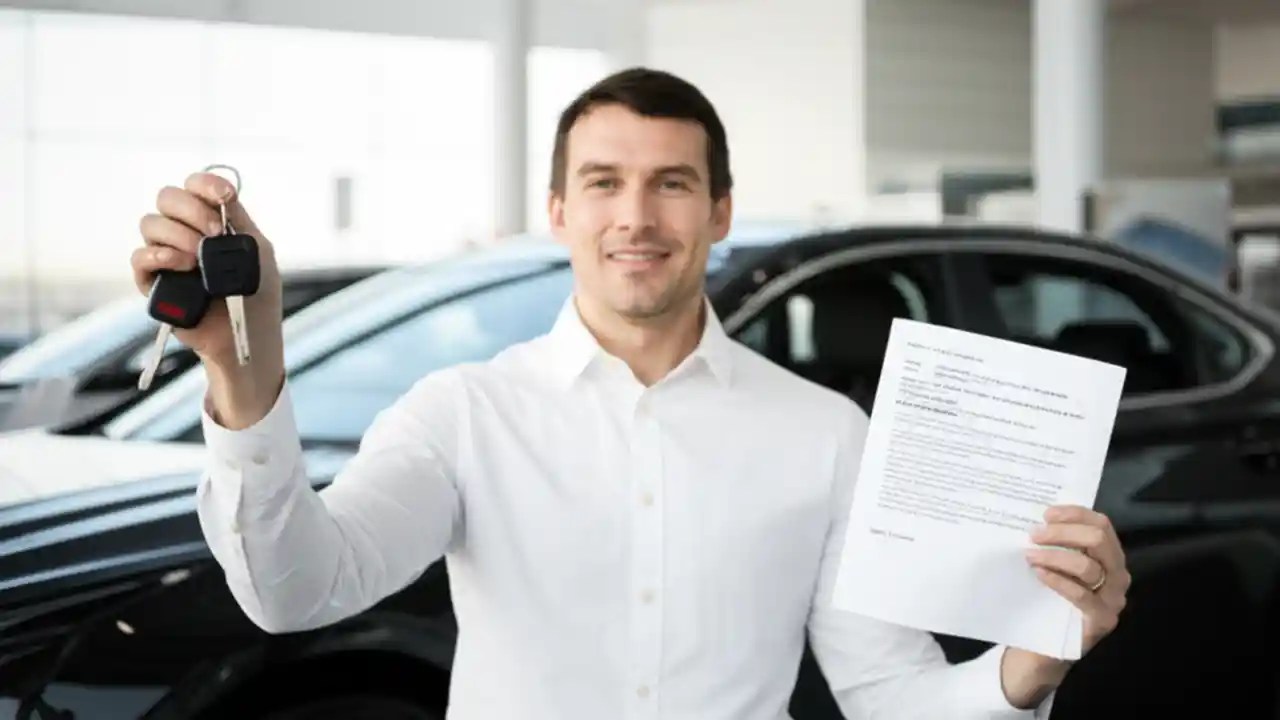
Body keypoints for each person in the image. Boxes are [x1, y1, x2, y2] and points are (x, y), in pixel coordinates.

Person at [131, 67, 1130, 719]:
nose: (636, 216)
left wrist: (1026, 667)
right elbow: (299, 590)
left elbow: (886, 691)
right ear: (560, 209)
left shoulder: (825, 433)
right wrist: (237, 364)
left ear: (720, 210)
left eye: (672, 183)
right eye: (604, 182)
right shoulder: (463, 413)